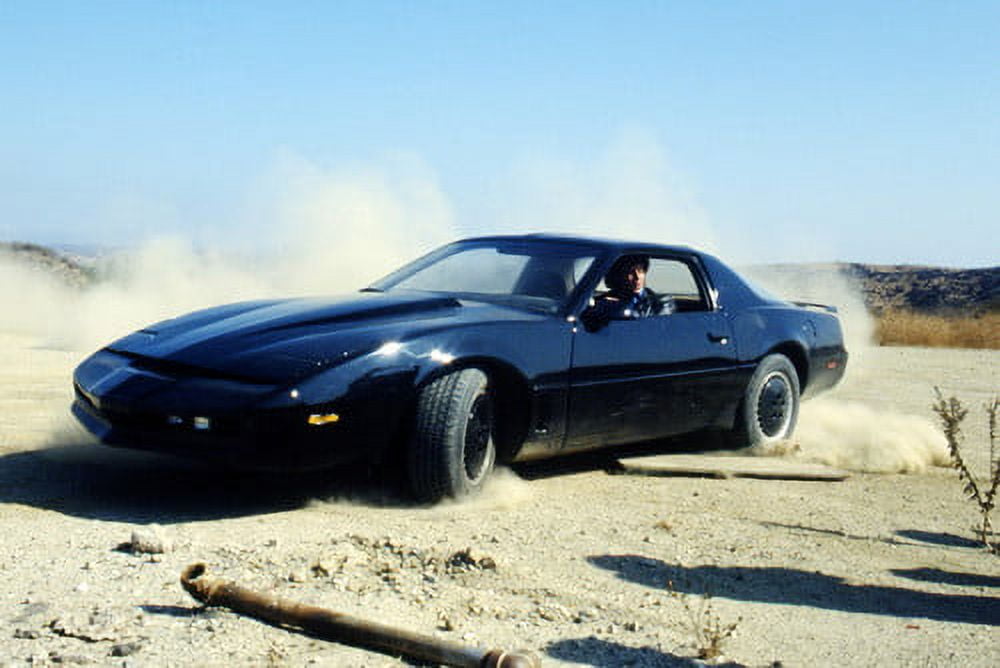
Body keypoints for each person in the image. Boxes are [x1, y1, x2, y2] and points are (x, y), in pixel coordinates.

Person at [583, 254, 674, 323]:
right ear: (619, 276)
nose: (637, 277)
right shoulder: (602, 303)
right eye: (630, 272)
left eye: (640, 270)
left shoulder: (661, 303)